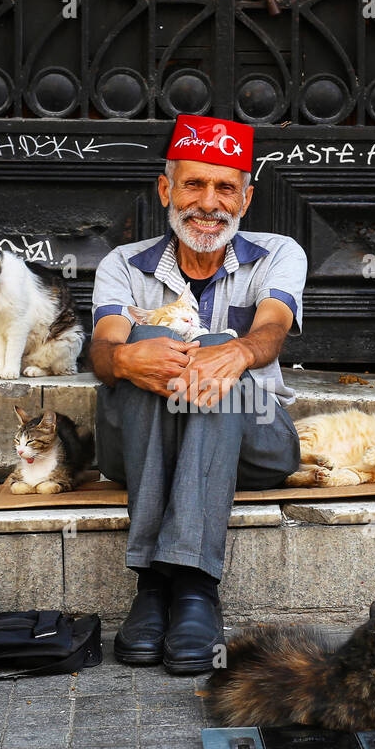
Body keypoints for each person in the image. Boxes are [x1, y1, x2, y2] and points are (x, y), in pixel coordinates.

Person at [88, 114, 306, 675]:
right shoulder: (122, 264)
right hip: (136, 443)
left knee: (217, 358)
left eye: (225, 187)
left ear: (245, 198)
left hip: (253, 439)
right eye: (193, 184)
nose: (208, 203)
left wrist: (234, 352)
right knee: (147, 348)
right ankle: (178, 592)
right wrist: (125, 358)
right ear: (166, 188)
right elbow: (102, 351)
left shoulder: (279, 253)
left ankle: (178, 585)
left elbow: (274, 327)